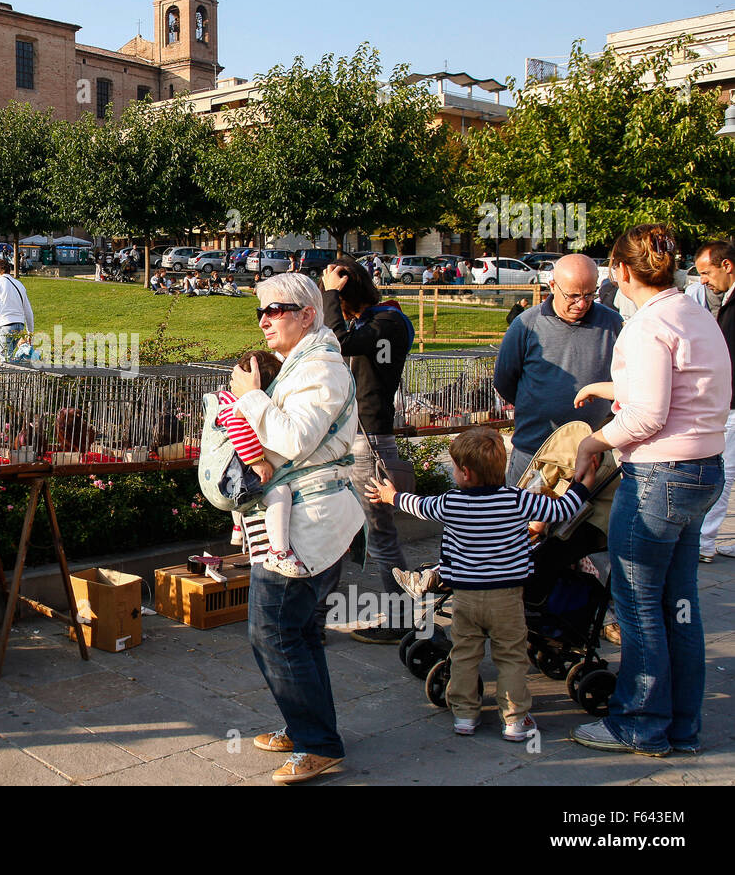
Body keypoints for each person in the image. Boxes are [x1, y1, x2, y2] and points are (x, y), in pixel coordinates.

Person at [570, 224, 730, 757]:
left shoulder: (646, 326)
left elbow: (647, 412)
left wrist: (594, 442)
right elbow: (673, 388)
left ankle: (639, 721)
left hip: (659, 478)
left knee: (639, 608)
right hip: (702, 469)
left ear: (619, 270)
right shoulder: (694, 315)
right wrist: (602, 387)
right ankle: (681, 725)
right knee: (680, 606)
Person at [368, 428, 589, 741]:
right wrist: (583, 485)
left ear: (466, 474)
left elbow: (419, 505)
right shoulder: (518, 500)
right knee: (511, 657)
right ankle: (514, 720)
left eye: (456, 467)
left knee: (465, 654)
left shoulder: (451, 503)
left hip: (466, 598)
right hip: (508, 598)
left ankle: (465, 715)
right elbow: (563, 509)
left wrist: (391, 496)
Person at [232, 272, 363, 784]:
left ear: (307, 315)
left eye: (276, 310)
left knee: (274, 633)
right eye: (259, 312)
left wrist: (250, 396)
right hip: (307, 518)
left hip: (310, 524)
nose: (265, 320)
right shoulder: (304, 364)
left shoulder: (322, 368)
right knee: (301, 633)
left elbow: (291, 440)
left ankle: (317, 743)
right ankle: (306, 727)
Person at [320, 258, 416, 643]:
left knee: (379, 535)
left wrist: (330, 293)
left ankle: (401, 619)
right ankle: (315, 617)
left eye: (336, 297)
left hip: (369, 442)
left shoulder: (387, 323)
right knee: (333, 529)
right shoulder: (370, 325)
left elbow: (338, 341)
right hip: (350, 440)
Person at [494, 254, 622, 486]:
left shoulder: (612, 324)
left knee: (582, 519)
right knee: (526, 520)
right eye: (572, 296)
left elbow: (624, 380)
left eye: (589, 294)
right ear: (552, 286)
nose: (581, 303)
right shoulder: (526, 325)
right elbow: (504, 381)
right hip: (534, 451)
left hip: (592, 452)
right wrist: (537, 404)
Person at [220, 350, 299, 575]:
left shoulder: (231, 399)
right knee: (279, 494)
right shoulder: (241, 403)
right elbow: (238, 429)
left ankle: (239, 531)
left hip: (238, 474)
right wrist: (257, 461)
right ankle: (280, 552)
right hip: (248, 471)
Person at [692, 241, 735, 561]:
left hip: (730, 403)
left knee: (725, 470)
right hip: (726, 400)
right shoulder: (724, 300)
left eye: (706, 273)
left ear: (727, 266)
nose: (703, 280)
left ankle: (704, 543)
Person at [0, 259, 34, 364]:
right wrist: (29, 332)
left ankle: (9, 379)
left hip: (4, 324)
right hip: (19, 325)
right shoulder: (19, 285)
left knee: (6, 359)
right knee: (12, 358)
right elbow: (28, 311)